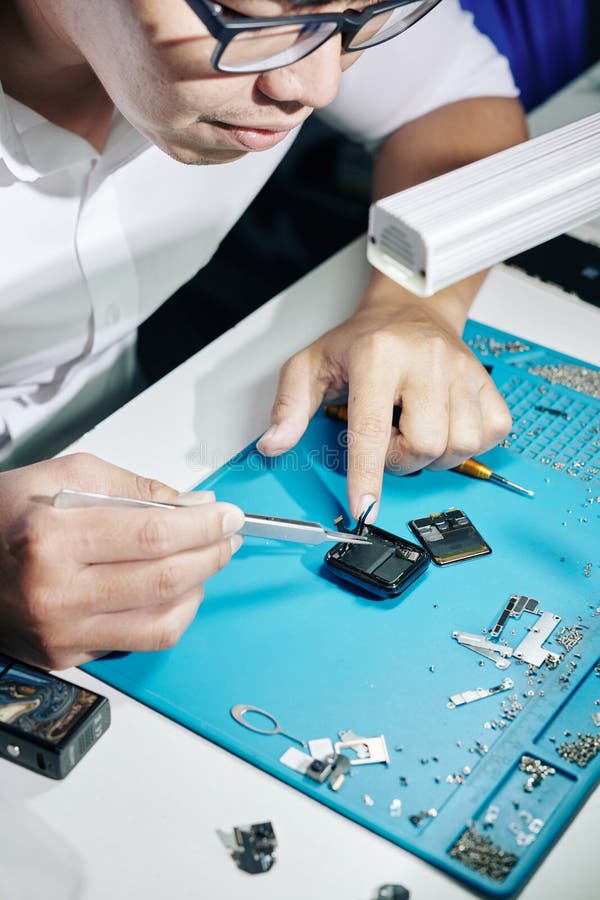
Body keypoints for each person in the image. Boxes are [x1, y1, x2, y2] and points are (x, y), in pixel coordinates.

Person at [0, 0, 527, 670]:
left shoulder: (307, 40)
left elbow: (460, 102)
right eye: (246, 16)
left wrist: (412, 303)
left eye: (361, 18)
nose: (316, 87)